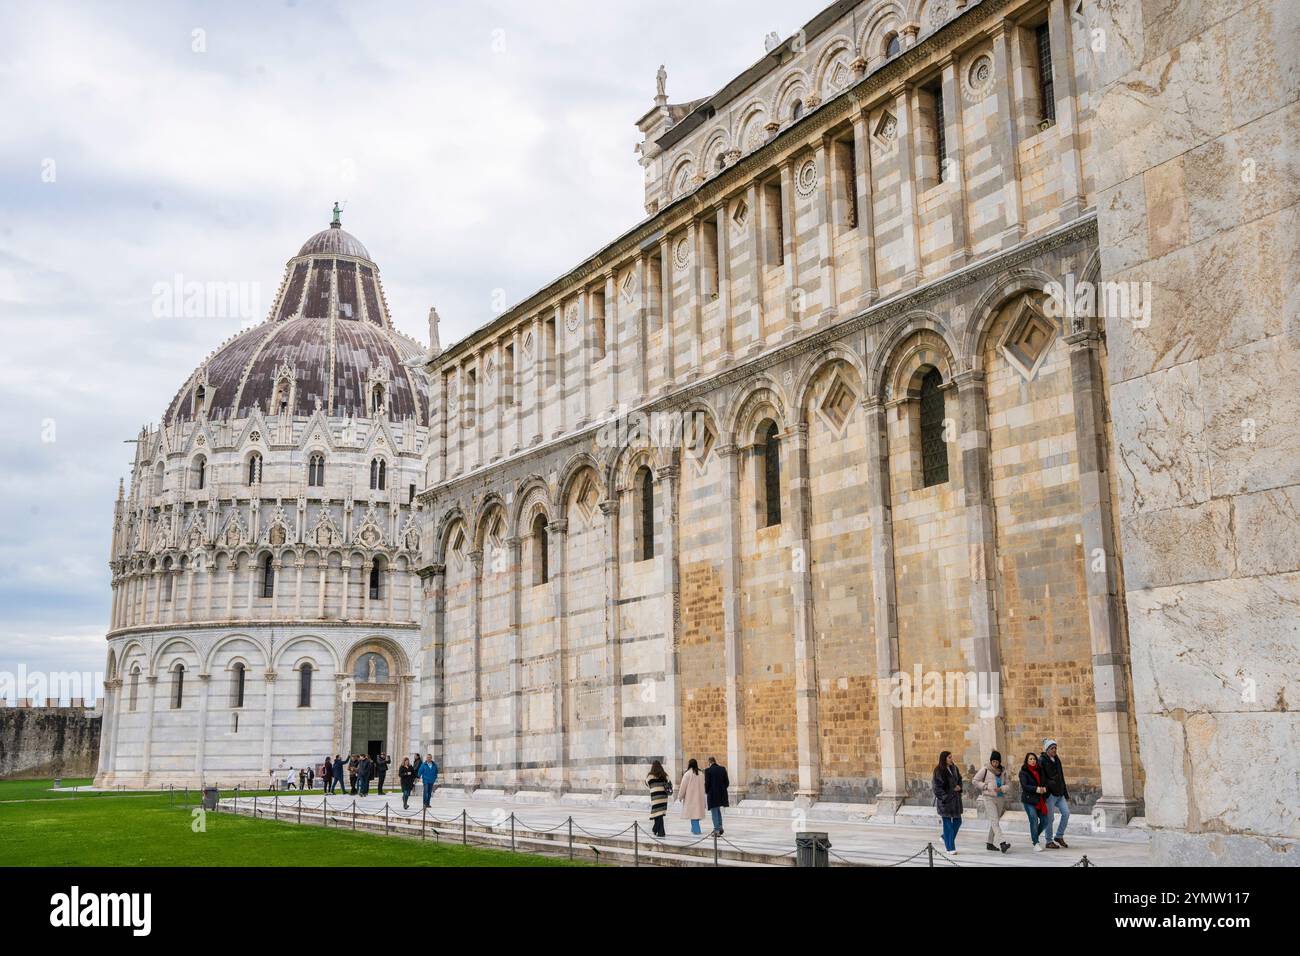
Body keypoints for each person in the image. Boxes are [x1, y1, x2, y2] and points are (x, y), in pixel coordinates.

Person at [971, 750, 1011, 853]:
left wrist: (1002, 788)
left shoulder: (1003, 771)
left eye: (997, 762)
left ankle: (989, 843)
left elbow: (1008, 785)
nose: (995, 764)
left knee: (995, 821)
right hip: (989, 798)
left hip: (1000, 798)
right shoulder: (985, 769)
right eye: (993, 761)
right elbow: (975, 780)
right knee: (994, 821)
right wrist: (985, 786)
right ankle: (1002, 843)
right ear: (991, 761)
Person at [1038, 739, 1070, 849]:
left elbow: (1061, 776)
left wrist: (1065, 793)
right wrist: (1050, 785)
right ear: (1047, 749)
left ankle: (1059, 836)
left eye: (1055, 748)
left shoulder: (1057, 759)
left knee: (1066, 813)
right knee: (1050, 818)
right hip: (1050, 794)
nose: (1054, 750)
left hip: (1060, 793)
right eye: (1052, 748)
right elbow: (1042, 778)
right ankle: (1048, 841)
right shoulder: (1041, 760)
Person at [932, 750, 963, 854]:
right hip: (945, 802)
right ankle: (950, 848)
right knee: (948, 824)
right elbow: (937, 788)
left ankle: (945, 837)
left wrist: (959, 787)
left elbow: (959, 779)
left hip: (956, 802)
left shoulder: (954, 768)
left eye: (951, 757)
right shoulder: (938, 771)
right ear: (944, 758)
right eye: (949, 757)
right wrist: (946, 797)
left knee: (958, 821)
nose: (951, 759)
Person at [1019, 752, 1050, 852]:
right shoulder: (1023, 772)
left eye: (1034, 759)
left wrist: (1044, 788)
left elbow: (1045, 782)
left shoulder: (1040, 770)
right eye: (1030, 759)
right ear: (1027, 761)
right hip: (1029, 800)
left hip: (1039, 799)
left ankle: (1034, 835)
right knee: (1033, 819)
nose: (1033, 761)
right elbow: (1025, 786)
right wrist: (1036, 789)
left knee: (1045, 821)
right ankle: (1035, 842)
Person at [676, 759, 707, 835]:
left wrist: (680, 796)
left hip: (691, 798)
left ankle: (696, 830)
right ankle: (693, 829)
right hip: (699, 798)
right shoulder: (701, 774)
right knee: (696, 814)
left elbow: (683, 787)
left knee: (694, 815)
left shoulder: (687, 774)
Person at [703, 756, 729, 836]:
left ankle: (716, 829)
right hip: (721, 794)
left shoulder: (708, 771)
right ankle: (720, 827)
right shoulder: (722, 769)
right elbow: (727, 782)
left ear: (709, 762)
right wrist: (722, 789)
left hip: (712, 794)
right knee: (718, 811)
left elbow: (707, 784)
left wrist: (707, 791)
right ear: (715, 761)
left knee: (714, 811)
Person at [646, 760, 671, 837]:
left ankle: (661, 832)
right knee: (659, 813)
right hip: (663, 798)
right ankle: (655, 829)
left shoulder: (650, 776)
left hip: (655, 798)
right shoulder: (665, 775)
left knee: (657, 813)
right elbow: (670, 784)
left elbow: (646, 783)